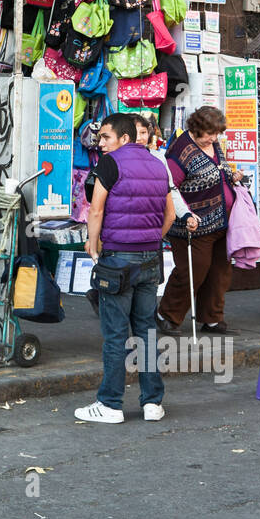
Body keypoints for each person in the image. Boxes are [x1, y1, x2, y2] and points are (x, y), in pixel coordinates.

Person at [76, 113, 175, 424]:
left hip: (118, 259)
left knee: (116, 334)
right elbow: (170, 215)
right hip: (150, 259)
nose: (101, 143)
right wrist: (150, 240)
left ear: (124, 138)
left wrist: (93, 244)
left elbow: (97, 209)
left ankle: (110, 404)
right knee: (146, 331)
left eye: (105, 137)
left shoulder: (110, 164)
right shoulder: (159, 165)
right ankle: (152, 403)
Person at [157, 106, 240, 335]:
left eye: (216, 134)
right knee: (192, 270)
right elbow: (170, 188)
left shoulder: (212, 144)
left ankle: (212, 318)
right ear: (196, 128)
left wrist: (231, 176)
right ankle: (167, 314)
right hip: (192, 224)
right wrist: (185, 215)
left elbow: (217, 172)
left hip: (221, 220)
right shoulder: (181, 151)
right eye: (210, 134)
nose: (214, 139)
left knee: (219, 270)